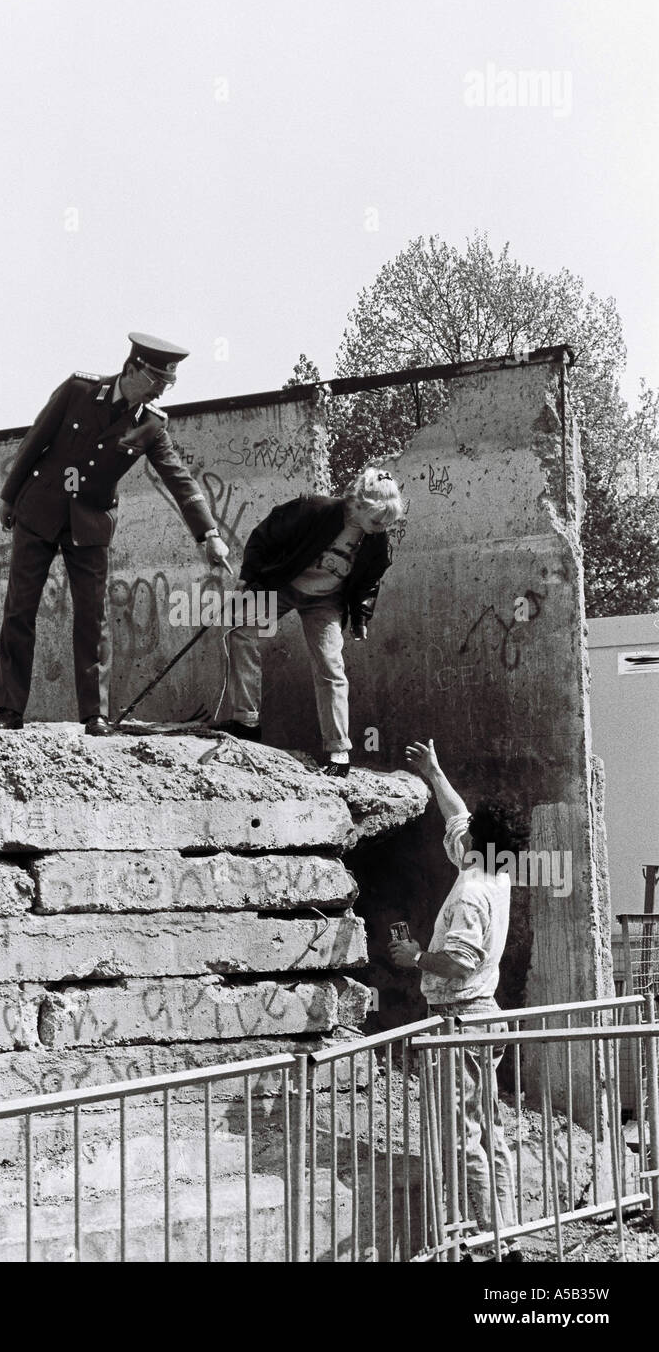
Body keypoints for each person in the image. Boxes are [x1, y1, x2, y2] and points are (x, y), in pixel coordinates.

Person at [0, 333, 229, 732]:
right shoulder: (79, 389)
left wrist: (209, 534)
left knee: (93, 617)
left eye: (167, 385)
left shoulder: (152, 424)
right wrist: (9, 497)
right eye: (156, 381)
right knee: (20, 610)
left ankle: (95, 714)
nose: (161, 391)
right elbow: (36, 439)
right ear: (132, 369)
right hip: (40, 510)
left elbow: (180, 480)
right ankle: (8, 710)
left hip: (90, 524)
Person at [391, 737, 530, 1261]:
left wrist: (415, 958)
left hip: (460, 1023)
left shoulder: (472, 892)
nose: (462, 827)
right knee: (487, 1130)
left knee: (465, 1135)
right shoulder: (493, 872)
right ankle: (505, 1234)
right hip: (478, 1019)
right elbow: (457, 814)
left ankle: (493, 1246)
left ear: (479, 840)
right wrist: (434, 772)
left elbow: (460, 961)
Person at [215, 466, 403, 775]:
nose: (383, 527)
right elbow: (266, 534)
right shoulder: (315, 509)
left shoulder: (376, 540)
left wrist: (360, 617)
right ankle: (246, 721)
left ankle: (339, 753)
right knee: (241, 632)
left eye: (389, 522)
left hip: (326, 600)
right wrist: (250, 577)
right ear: (357, 505)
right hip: (286, 585)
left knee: (331, 666)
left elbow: (370, 580)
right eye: (378, 519)